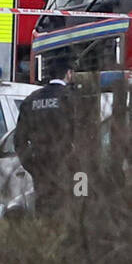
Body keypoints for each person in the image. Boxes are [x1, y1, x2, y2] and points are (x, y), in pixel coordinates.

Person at [15, 51, 81, 215]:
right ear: (68, 73)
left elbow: (19, 141)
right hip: (68, 168)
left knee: (44, 213)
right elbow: (83, 135)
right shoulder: (71, 99)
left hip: (41, 166)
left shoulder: (31, 100)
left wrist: (32, 165)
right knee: (70, 210)